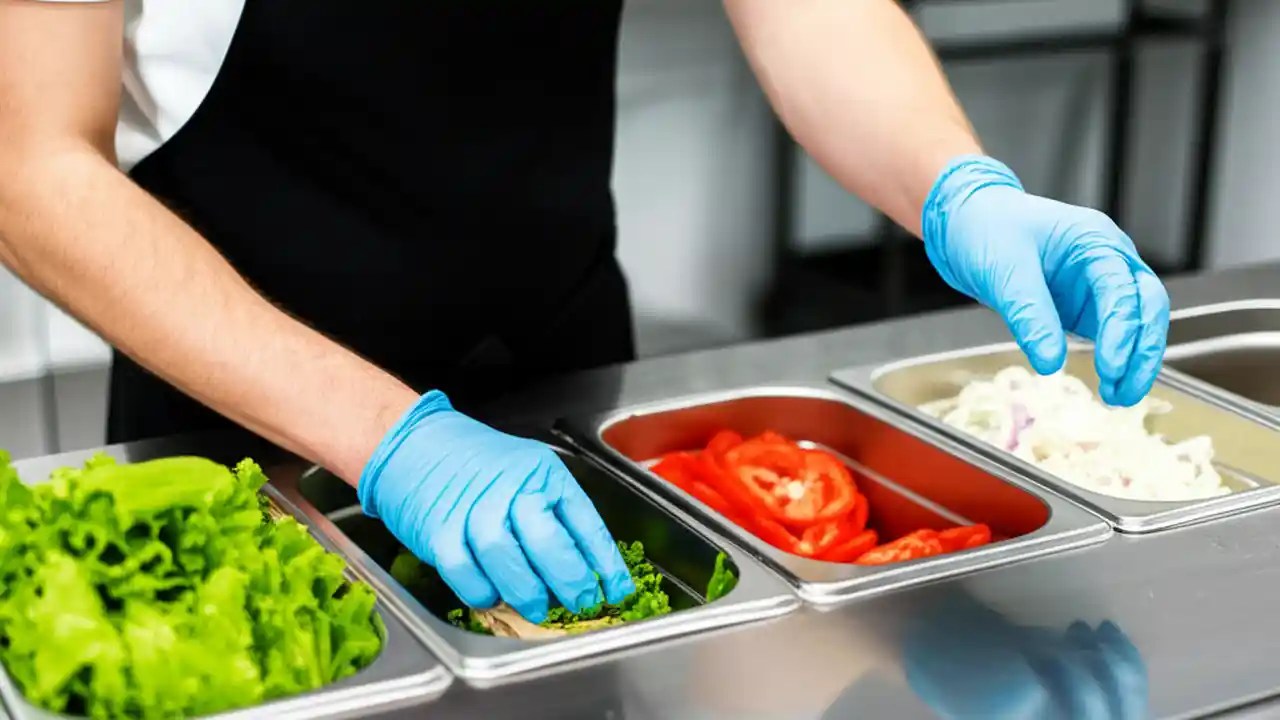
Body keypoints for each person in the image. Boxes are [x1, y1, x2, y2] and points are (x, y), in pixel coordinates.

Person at [0, 0, 1168, 623]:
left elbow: (806, 10)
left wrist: (954, 185)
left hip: (561, 379)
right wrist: (388, 438)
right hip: (241, 421)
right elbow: (32, 169)